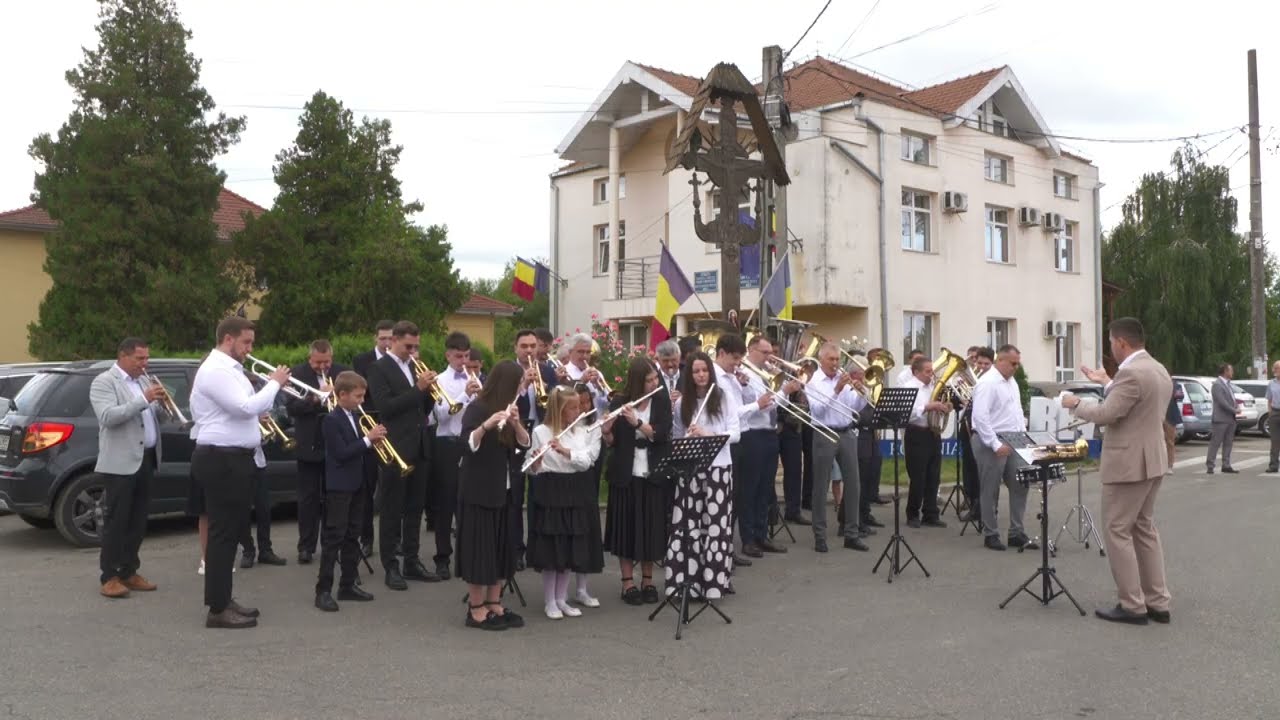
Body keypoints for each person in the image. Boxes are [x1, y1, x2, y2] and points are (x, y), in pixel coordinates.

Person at [1062, 317, 1173, 625]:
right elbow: (1134, 402)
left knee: (1117, 530)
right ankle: (1157, 601)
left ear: (1122, 343)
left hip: (1129, 463)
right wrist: (1107, 382)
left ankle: (1132, 605)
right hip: (1153, 458)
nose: (1110, 348)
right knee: (1144, 529)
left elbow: (1106, 414)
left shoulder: (1131, 373)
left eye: (1111, 343)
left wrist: (1074, 403)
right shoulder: (1157, 368)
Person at [190, 317, 289, 629]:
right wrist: (275, 383)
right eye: (246, 342)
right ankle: (217, 609)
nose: (250, 349)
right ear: (228, 339)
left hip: (235, 458)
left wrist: (262, 405)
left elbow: (246, 409)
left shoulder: (231, 370)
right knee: (222, 535)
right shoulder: (216, 370)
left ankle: (223, 599)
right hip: (221, 459)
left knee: (230, 533)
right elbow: (244, 407)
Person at [366, 321, 439, 590]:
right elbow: (386, 407)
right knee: (391, 509)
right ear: (393, 341)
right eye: (408, 346)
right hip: (395, 447)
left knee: (415, 508)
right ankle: (391, 566)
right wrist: (418, 389)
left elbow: (421, 409)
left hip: (419, 444)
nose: (412, 351)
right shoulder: (378, 368)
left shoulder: (413, 366)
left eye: (416, 346)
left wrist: (430, 393)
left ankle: (411, 560)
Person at [90, 337, 164, 599]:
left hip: (146, 458)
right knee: (117, 522)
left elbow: (149, 416)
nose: (145, 364)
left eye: (147, 358)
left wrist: (161, 404)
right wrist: (144, 399)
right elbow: (108, 417)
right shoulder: (104, 382)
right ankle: (109, 576)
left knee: (138, 521)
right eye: (139, 358)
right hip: (120, 463)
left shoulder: (142, 380)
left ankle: (129, 571)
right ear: (123, 356)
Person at [457, 361, 530, 630]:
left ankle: (494, 602)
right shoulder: (478, 408)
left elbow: (524, 443)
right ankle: (475, 608)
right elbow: (466, 444)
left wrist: (516, 424)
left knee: (501, 547)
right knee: (481, 549)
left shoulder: (511, 409)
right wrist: (487, 425)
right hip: (479, 490)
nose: (521, 388)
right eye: (519, 383)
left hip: (504, 489)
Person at [527, 386, 604, 619]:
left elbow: (587, 461)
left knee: (570, 547)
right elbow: (533, 468)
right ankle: (550, 601)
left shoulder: (580, 431)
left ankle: (562, 598)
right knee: (552, 549)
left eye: (578, 406)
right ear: (559, 410)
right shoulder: (540, 431)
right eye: (572, 408)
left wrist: (565, 451)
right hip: (551, 490)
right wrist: (535, 463)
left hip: (574, 490)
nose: (578, 411)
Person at [667, 351, 739, 599]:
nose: (701, 375)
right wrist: (684, 441)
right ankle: (689, 582)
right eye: (696, 371)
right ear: (689, 375)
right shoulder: (682, 404)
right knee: (689, 526)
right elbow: (677, 436)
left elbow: (736, 433)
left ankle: (715, 583)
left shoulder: (723, 397)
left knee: (716, 526)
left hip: (719, 468)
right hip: (691, 470)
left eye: (705, 370)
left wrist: (708, 434)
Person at [602, 358, 672, 605]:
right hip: (626, 473)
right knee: (627, 529)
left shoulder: (661, 401)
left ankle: (648, 581)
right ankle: (627, 583)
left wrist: (638, 423)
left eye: (655, 378)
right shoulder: (620, 402)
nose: (655, 383)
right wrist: (606, 430)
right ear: (637, 381)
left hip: (652, 473)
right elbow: (613, 442)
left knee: (650, 528)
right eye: (649, 380)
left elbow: (661, 434)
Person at [314, 371, 381, 612]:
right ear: (342, 395)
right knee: (334, 537)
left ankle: (347, 584)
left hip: (357, 483)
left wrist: (373, 442)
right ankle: (323, 590)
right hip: (339, 487)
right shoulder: (331, 420)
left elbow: (358, 448)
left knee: (353, 535)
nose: (362, 401)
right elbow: (341, 453)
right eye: (358, 396)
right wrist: (368, 440)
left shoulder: (354, 416)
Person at [286, 339, 347, 565]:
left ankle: (332, 545)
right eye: (317, 363)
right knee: (308, 500)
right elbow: (291, 408)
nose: (322, 367)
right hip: (309, 444)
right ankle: (306, 547)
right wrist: (315, 398)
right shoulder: (297, 374)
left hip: (336, 444)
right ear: (309, 358)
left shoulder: (342, 373)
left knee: (334, 499)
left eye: (326, 362)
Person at [805, 343, 870, 552]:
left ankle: (851, 533)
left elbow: (854, 407)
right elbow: (818, 410)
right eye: (831, 359)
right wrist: (836, 390)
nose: (835, 363)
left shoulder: (843, 377)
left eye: (837, 359)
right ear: (821, 360)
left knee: (854, 484)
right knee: (821, 486)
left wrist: (861, 392)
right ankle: (820, 536)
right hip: (824, 432)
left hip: (847, 432)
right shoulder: (813, 381)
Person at [736, 335, 795, 557]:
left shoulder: (766, 374)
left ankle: (761, 535)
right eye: (765, 352)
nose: (770, 357)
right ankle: (748, 539)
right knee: (750, 489)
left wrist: (785, 392)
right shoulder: (745, 375)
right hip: (752, 435)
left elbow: (777, 406)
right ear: (751, 350)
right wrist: (784, 391)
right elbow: (762, 404)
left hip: (770, 434)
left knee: (765, 489)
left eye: (771, 352)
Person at [431, 332, 483, 579]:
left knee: (469, 503)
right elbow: (442, 415)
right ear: (448, 356)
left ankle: (468, 557)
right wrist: (465, 395)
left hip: (470, 443)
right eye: (459, 356)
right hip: (447, 444)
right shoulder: (439, 381)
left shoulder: (477, 378)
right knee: (446, 503)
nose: (464, 361)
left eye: (466, 356)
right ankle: (442, 558)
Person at [970, 345, 1032, 551]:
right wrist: (995, 444)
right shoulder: (987, 383)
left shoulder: (1012, 382)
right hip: (991, 438)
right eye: (1013, 363)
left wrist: (1023, 436)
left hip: (1013, 438)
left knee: (1021, 483)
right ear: (1001, 361)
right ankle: (991, 533)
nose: (1016, 367)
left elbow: (1017, 411)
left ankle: (1016, 532)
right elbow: (980, 417)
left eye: (1018, 364)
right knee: (990, 488)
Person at [513, 329, 560, 567]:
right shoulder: (508, 371)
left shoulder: (548, 371)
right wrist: (523, 384)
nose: (529, 350)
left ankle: (536, 548)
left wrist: (548, 389)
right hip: (515, 437)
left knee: (539, 495)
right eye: (524, 346)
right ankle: (516, 550)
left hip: (540, 436)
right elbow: (502, 402)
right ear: (516, 348)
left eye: (533, 346)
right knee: (515, 496)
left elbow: (556, 405)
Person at [353, 321, 395, 558]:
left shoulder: (402, 362)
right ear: (375, 339)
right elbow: (360, 393)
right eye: (383, 339)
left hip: (392, 428)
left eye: (390, 339)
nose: (387, 343)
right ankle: (366, 539)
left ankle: (394, 540)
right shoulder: (362, 361)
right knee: (367, 488)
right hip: (369, 427)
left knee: (392, 489)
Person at [900, 355, 952, 529]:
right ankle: (912, 514)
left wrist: (945, 408)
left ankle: (931, 513)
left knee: (933, 475)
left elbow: (940, 407)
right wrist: (928, 407)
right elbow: (907, 414)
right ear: (916, 372)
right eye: (928, 372)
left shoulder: (933, 387)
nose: (932, 375)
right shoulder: (909, 387)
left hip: (933, 433)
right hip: (917, 433)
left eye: (932, 371)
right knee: (918, 476)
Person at [959, 347, 995, 524]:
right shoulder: (967, 379)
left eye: (986, 364)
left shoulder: (994, 381)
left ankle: (986, 507)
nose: (981, 366)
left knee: (985, 471)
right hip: (968, 425)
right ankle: (973, 502)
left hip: (986, 429)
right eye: (978, 362)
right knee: (969, 466)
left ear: (992, 363)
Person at [1205, 363, 1238, 474]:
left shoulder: (1228, 384)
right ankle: (1210, 465)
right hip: (1220, 419)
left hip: (1230, 418)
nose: (1232, 372)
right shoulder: (1217, 385)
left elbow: (1231, 399)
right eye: (1231, 370)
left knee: (1228, 443)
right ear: (1225, 371)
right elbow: (1222, 402)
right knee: (1216, 443)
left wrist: (1236, 406)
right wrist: (1234, 410)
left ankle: (1226, 465)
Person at [1267, 362, 1280, 473]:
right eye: (1274, 368)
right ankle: (1273, 465)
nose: (1275, 370)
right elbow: (1269, 399)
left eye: (1277, 368)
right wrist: (1270, 412)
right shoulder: (1271, 383)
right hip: (1275, 412)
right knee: (1275, 441)